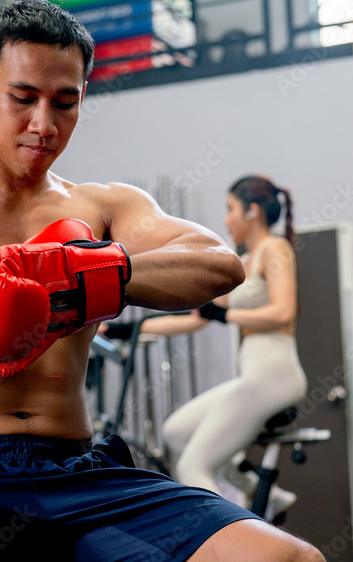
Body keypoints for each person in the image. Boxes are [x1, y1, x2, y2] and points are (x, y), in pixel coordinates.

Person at [0, 0, 324, 562]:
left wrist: (81, 275)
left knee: (287, 558)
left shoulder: (103, 205)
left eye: (65, 102)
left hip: (80, 479)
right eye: (22, 98)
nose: (43, 125)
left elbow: (218, 263)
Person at [103, 176, 308, 521]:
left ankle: (236, 548)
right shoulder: (242, 263)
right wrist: (128, 328)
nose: (226, 220)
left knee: (193, 467)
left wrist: (226, 314)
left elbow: (284, 312)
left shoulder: (275, 249)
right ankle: (263, 493)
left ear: (252, 212)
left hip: (276, 376)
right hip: (254, 376)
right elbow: (197, 318)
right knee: (175, 432)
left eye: (230, 210)